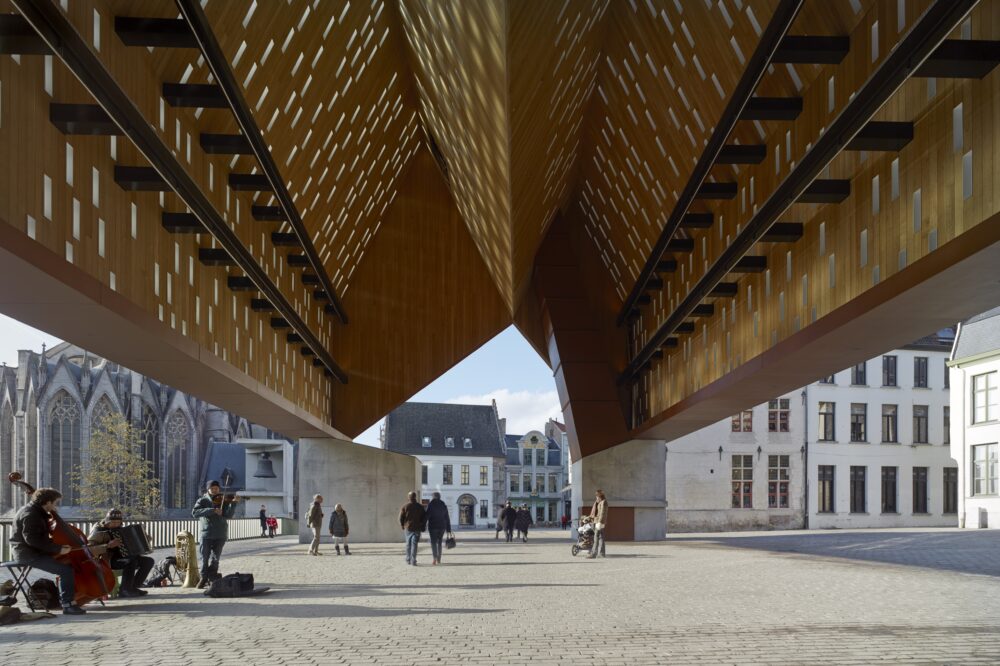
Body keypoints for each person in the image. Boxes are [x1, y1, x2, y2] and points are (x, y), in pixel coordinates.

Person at [9, 487, 86, 614]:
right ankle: (67, 604)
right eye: (55, 502)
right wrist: (58, 549)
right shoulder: (31, 515)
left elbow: (39, 538)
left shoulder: (34, 511)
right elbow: (33, 540)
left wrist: (58, 547)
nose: (56, 505)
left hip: (34, 551)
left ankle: (71, 599)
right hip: (28, 555)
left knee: (67, 564)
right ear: (48, 502)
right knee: (66, 571)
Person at [87, 509, 154, 598]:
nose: (115, 524)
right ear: (107, 521)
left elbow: (133, 545)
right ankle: (124, 590)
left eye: (118, 522)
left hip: (123, 558)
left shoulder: (120, 530)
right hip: (107, 560)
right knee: (130, 561)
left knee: (148, 561)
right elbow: (89, 549)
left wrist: (145, 540)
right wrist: (107, 546)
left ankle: (132, 587)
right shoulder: (98, 530)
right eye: (113, 522)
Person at [191, 480, 238, 588]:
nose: (215, 490)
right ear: (208, 489)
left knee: (216, 558)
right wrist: (212, 510)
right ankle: (203, 578)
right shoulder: (202, 500)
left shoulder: (223, 500)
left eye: (217, 488)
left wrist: (233, 504)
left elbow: (228, 515)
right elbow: (195, 513)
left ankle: (212, 578)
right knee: (204, 557)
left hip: (221, 533)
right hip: (206, 533)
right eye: (212, 488)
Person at [399, 491, 426, 565]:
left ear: (408, 497)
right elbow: (424, 518)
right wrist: (423, 526)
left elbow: (401, 517)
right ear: (415, 497)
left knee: (408, 544)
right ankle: (413, 560)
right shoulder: (420, 507)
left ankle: (408, 559)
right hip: (417, 528)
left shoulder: (405, 506)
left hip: (408, 528)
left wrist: (402, 525)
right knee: (414, 544)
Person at [424, 491, 451, 565]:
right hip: (442, 527)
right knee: (439, 542)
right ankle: (439, 559)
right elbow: (447, 518)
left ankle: (434, 558)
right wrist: (449, 529)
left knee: (433, 542)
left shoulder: (431, 505)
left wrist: (423, 525)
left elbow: (427, 516)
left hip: (433, 527)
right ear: (440, 497)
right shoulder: (443, 505)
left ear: (433, 497)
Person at [588, 489, 609, 559]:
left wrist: (600, 522)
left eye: (597, 496)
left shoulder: (603, 502)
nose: (596, 497)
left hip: (599, 522)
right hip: (598, 521)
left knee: (596, 538)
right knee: (601, 538)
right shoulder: (599, 502)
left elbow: (603, 513)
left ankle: (594, 554)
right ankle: (602, 554)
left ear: (600, 495)